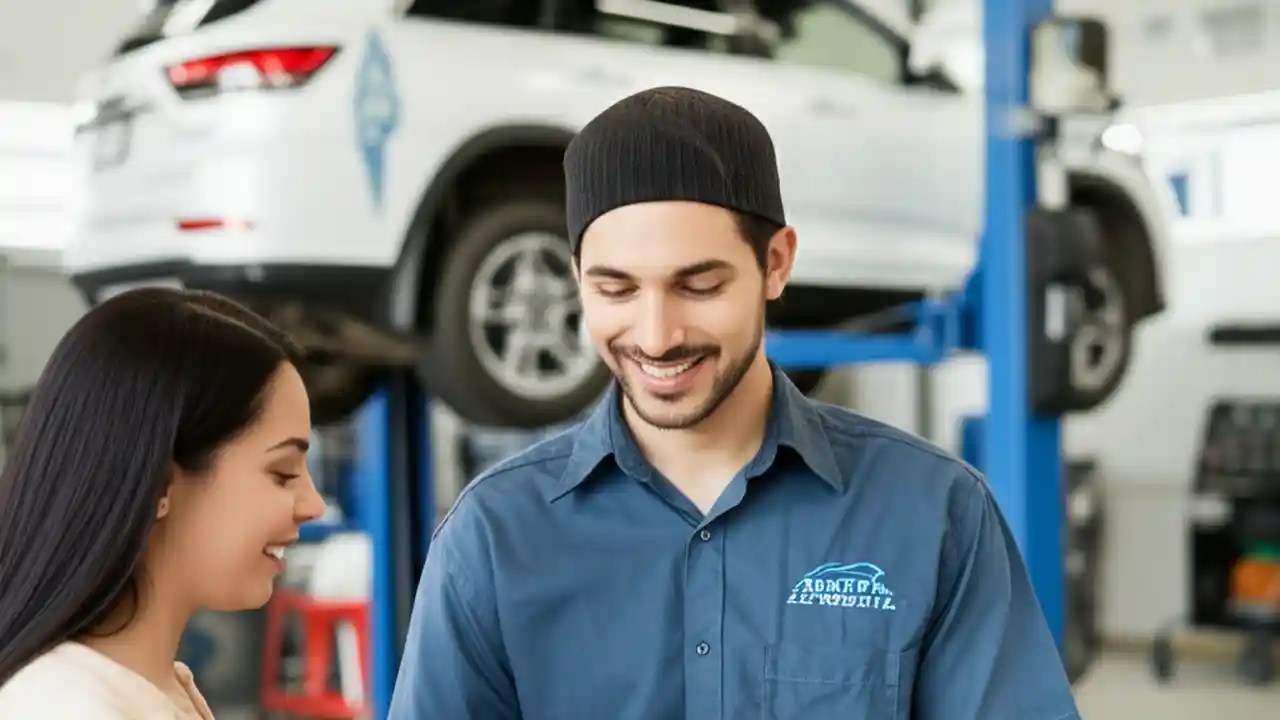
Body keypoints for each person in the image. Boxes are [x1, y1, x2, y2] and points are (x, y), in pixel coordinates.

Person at [388, 86, 1081, 719]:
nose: (656, 336)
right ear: (575, 278)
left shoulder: (933, 514)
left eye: (699, 286)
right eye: (616, 289)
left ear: (776, 262)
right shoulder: (494, 539)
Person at [0, 287, 327, 719]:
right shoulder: (70, 706)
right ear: (160, 487)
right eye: (282, 472)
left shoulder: (151, 689)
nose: (313, 504)